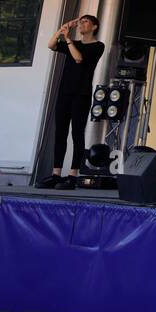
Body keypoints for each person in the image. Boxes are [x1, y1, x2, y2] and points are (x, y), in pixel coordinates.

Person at [38, 14, 105, 189]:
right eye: (80, 22)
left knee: (77, 133)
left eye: (85, 22)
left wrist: (68, 39)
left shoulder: (98, 46)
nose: (81, 24)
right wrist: (62, 30)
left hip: (81, 95)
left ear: (94, 27)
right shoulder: (72, 43)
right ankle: (56, 174)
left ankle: (73, 175)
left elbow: (78, 58)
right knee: (60, 133)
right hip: (64, 93)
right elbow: (51, 45)